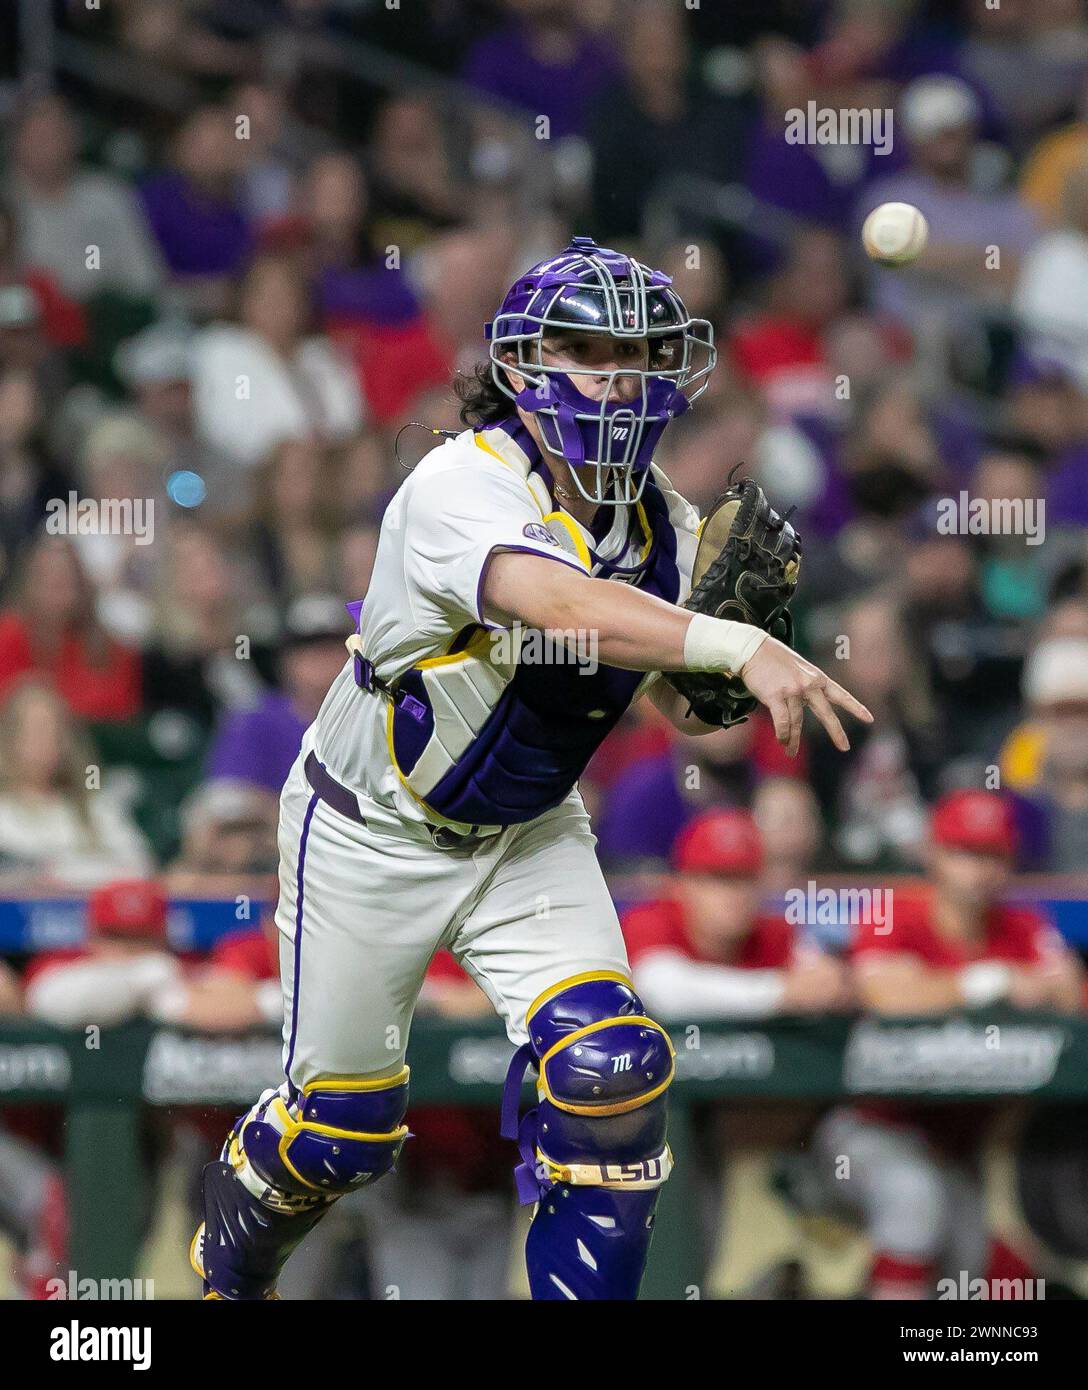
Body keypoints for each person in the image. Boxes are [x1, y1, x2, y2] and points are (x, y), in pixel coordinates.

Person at [188, 235, 870, 1302]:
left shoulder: (664, 527)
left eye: (637, 354)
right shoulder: (455, 482)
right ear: (520, 364)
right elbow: (549, 598)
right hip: (371, 828)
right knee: (338, 1133)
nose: (616, 377)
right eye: (585, 351)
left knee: (613, 1069)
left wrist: (720, 668)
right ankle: (229, 1270)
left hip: (529, 834)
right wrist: (727, 641)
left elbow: (685, 712)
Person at [812, 789, 1082, 1299]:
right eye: (964, 852)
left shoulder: (1024, 926)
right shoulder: (893, 912)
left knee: (981, 1278)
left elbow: (1068, 995)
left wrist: (942, 986)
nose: (978, 870)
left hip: (961, 1153)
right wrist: (992, 983)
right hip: (868, 1132)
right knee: (914, 1198)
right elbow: (887, 995)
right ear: (933, 853)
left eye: (992, 855)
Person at [623, 808, 848, 1020]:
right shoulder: (649, 920)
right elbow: (664, 991)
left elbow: (823, 982)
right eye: (721, 879)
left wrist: (829, 982)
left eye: (746, 878)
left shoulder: (772, 931)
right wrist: (779, 992)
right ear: (684, 884)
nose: (736, 894)